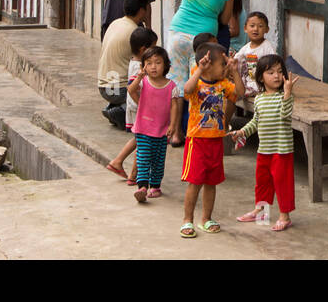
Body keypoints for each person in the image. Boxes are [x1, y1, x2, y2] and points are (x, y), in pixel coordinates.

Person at [179, 41, 243, 237]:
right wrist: (199, 70)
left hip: (216, 139)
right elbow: (186, 91)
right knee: (195, 182)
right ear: (208, 65)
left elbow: (239, 94)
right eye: (222, 65)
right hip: (197, 140)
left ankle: (206, 218)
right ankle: (187, 220)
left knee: (211, 182)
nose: (224, 68)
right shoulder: (197, 82)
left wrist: (234, 70)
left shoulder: (223, 85)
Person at [231, 55, 297, 231]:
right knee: (262, 182)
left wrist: (288, 93)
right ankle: (261, 211)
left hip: (282, 150)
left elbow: (285, 114)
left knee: (283, 183)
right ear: (260, 77)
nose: (276, 76)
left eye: (280, 72)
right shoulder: (259, 99)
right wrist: (242, 131)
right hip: (264, 150)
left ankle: (285, 216)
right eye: (271, 72)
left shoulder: (285, 97)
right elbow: (256, 122)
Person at [163, 0, 242, 99]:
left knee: (176, 84)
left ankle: (174, 122)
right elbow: (225, 20)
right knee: (198, 84)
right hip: (202, 39)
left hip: (178, 31)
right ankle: (193, 121)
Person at [126, 45, 179, 203]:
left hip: (162, 130)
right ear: (143, 66)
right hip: (143, 128)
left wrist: (173, 126)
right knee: (143, 157)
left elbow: (174, 106)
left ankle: (155, 186)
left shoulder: (171, 86)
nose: (153, 67)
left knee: (158, 159)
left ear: (166, 65)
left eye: (157, 62)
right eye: (149, 63)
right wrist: (139, 77)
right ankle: (142, 186)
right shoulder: (144, 83)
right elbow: (131, 90)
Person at [106, 24, 159, 180]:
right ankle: (121, 164)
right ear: (143, 50)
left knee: (140, 140)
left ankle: (133, 172)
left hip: (136, 106)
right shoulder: (139, 67)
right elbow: (133, 89)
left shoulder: (134, 62)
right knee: (142, 140)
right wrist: (145, 106)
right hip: (139, 108)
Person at [97, 0, 150, 130]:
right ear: (141, 10)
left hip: (104, 86)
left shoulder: (116, 23)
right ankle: (122, 110)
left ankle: (115, 105)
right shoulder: (135, 33)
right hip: (117, 89)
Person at [231, 12, 274, 101]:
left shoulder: (267, 47)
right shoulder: (246, 48)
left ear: (267, 29)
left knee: (233, 94)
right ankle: (225, 115)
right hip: (248, 81)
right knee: (230, 93)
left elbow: (274, 66)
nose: (256, 29)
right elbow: (236, 60)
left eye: (260, 26)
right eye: (252, 26)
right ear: (245, 29)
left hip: (261, 84)